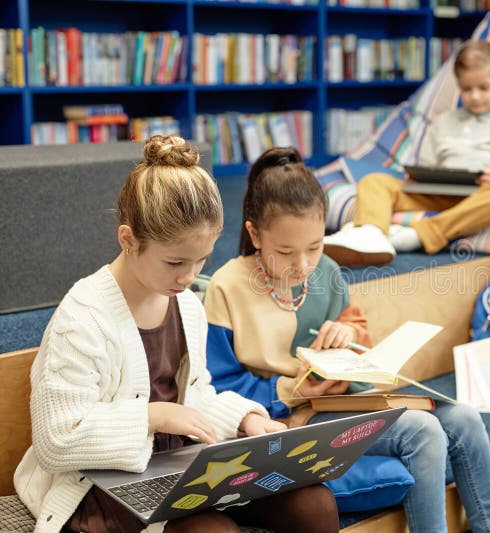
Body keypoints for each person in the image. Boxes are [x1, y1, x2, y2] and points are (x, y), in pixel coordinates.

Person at [13, 136, 339, 533]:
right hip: (101, 487)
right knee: (213, 532)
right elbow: (55, 441)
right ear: (128, 240)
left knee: (313, 502)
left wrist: (245, 422)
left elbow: (196, 399)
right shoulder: (82, 318)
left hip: (179, 472)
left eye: (201, 259)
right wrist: (153, 416)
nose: (188, 277)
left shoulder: (185, 303)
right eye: (174, 262)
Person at [204, 146, 490, 532]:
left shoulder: (326, 270)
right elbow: (217, 388)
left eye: (314, 247)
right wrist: (288, 388)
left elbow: (354, 329)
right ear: (254, 233)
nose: (303, 265)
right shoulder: (226, 287)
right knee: (423, 430)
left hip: (343, 399)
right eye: (285, 251)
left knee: (463, 416)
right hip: (289, 419)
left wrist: (348, 334)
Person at [323, 40, 490, 266]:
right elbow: (425, 167)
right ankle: (369, 233)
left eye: (484, 88)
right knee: (374, 181)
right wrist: (418, 177)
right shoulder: (444, 122)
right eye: (467, 89)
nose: (475, 96)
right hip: (437, 192)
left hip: (483, 196)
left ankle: (420, 235)